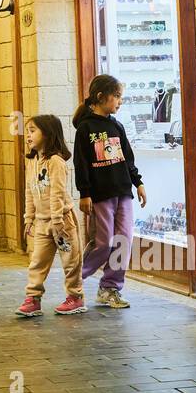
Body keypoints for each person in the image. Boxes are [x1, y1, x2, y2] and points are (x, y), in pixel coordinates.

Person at [74, 74, 147, 308]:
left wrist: (139, 183)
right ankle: (75, 278)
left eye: (120, 97)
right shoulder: (85, 129)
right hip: (100, 195)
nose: (119, 101)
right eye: (116, 96)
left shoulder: (117, 126)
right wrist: (84, 193)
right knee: (103, 243)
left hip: (123, 192)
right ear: (100, 97)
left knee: (123, 241)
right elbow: (81, 163)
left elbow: (128, 158)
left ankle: (110, 288)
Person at [17, 115, 86, 317]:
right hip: (41, 222)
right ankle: (33, 298)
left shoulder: (56, 162)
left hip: (62, 222)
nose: (28, 135)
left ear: (47, 134)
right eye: (27, 131)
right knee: (37, 261)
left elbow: (57, 192)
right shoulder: (32, 162)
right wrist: (28, 218)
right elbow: (29, 192)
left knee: (70, 260)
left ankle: (75, 297)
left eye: (32, 131)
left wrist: (57, 221)